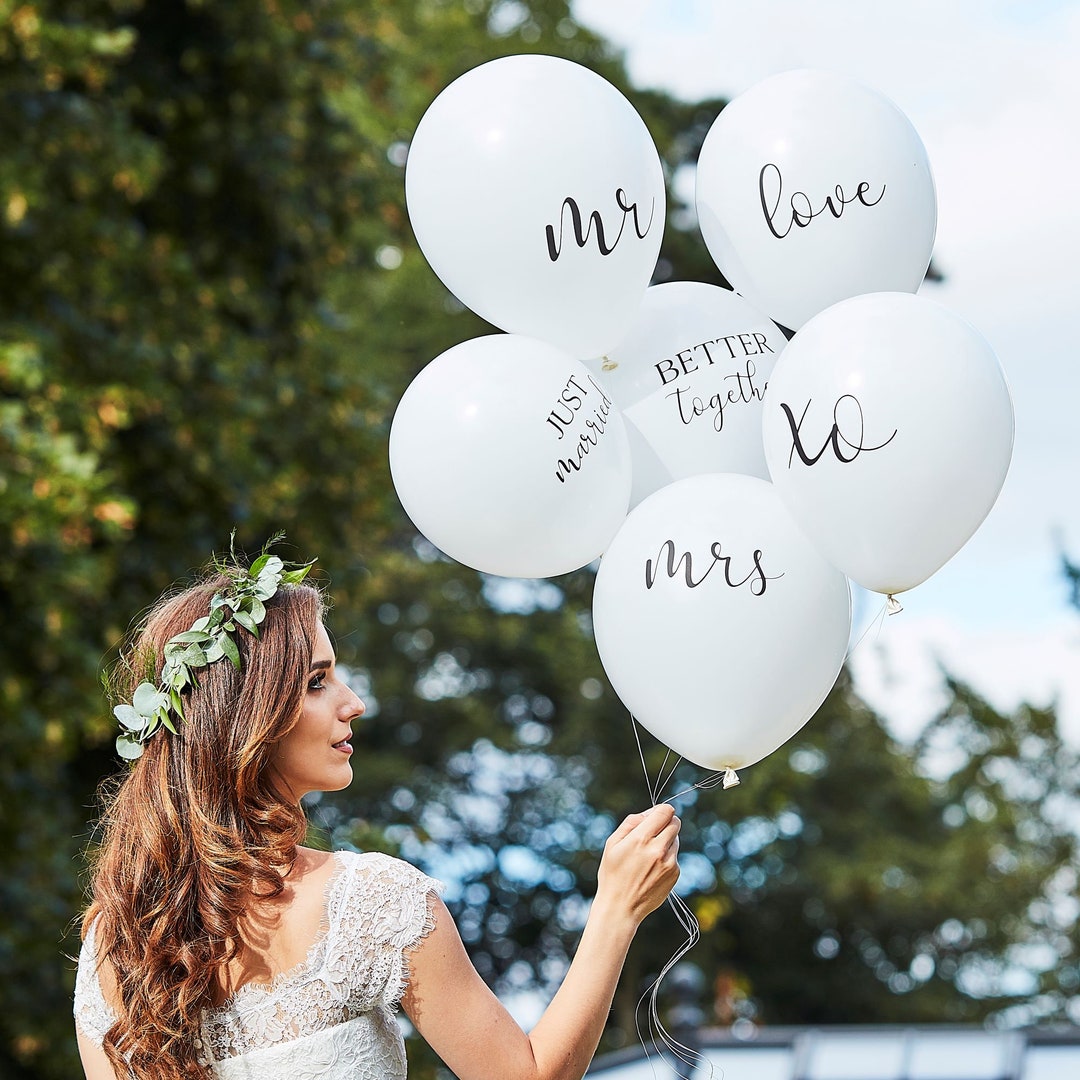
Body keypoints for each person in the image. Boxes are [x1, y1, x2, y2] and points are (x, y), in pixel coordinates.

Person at [74, 544, 681, 1079]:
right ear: (244, 717)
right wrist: (616, 909)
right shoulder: (370, 902)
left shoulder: (116, 941)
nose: (353, 703)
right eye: (317, 681)